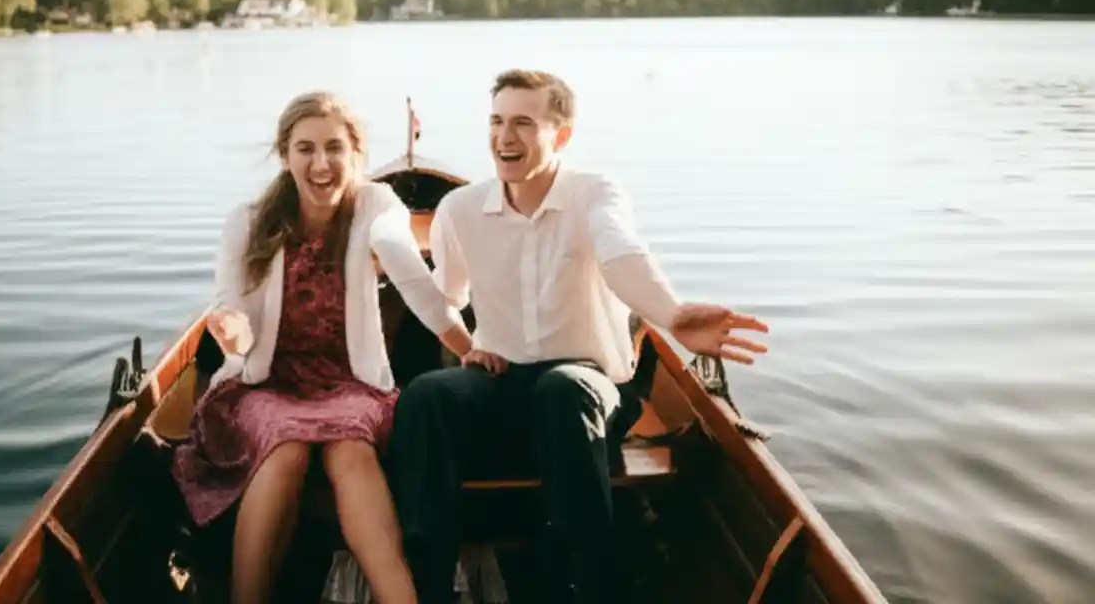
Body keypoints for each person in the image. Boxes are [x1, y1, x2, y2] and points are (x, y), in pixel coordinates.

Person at [389, 69, 770, 603]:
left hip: (588, 390)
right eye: (497, 122)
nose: (504, 137)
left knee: (563, 390)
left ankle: (587, 588)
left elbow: (621, 256)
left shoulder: (595, 193)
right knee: (428, 395)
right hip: (504, 383)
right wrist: (466, 346)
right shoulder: (459, 210)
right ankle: (426, 585)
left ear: (560, 135)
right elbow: (446, 297)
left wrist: (673, 313)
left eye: (524, 123)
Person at [172, 91, 474, 604]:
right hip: (266, 386)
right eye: (306, 149)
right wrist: (234, 334)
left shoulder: (377, 205)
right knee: (285, 450)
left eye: (334, 148)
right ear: (285, 155)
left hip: (350, 384)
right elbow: (232, 309)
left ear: (356, 155)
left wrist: (469, 351)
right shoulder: (246, 222)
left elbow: (416, 284)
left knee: (352, 451)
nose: (321, 164)